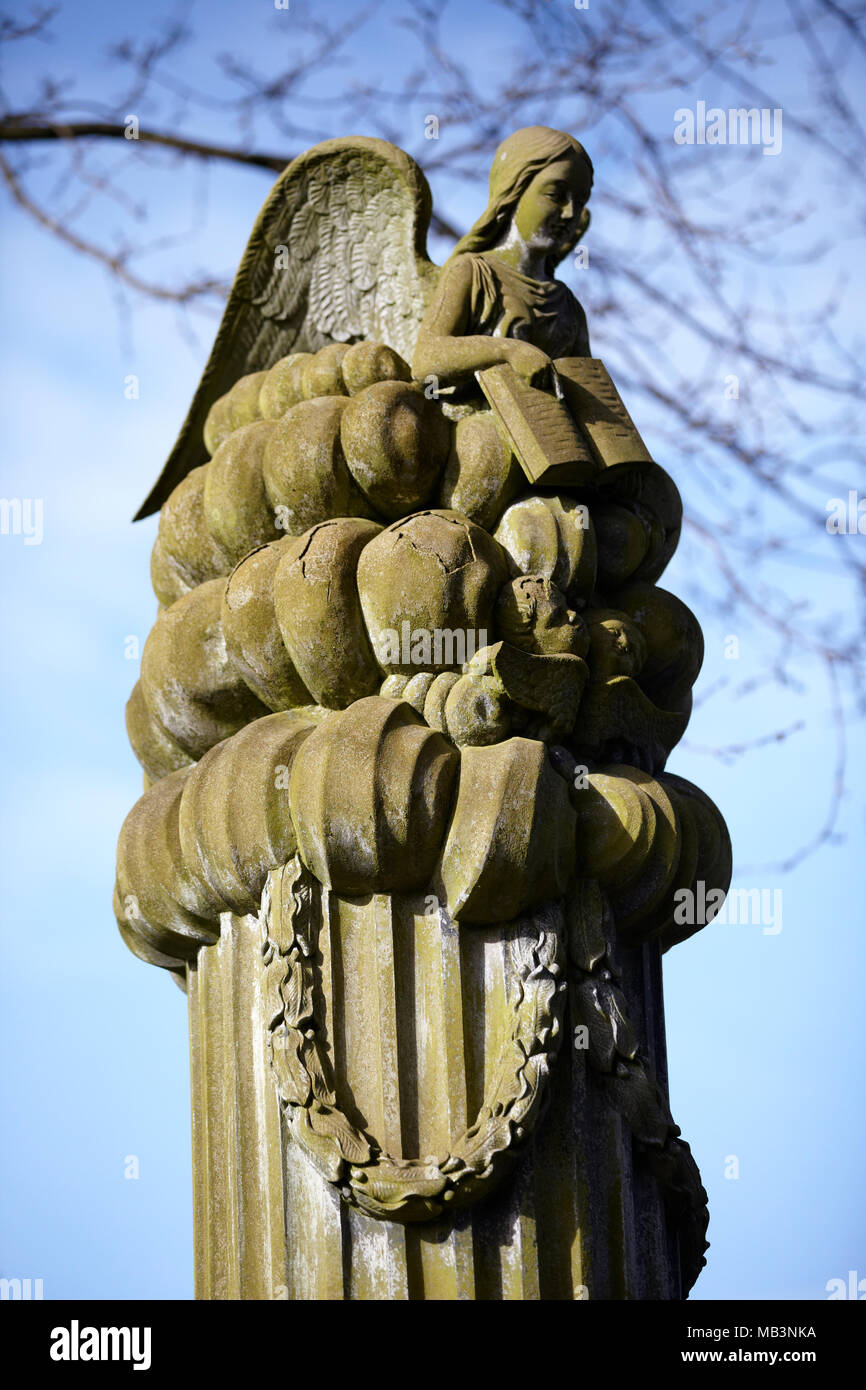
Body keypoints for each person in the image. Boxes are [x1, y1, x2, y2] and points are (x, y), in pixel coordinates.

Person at [413, 125, 594, 401]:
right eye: (556, 195)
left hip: (552, 436)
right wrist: (507, 351)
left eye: (579, 202)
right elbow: (426, 360)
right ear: (515, 190)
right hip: (478, 430)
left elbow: (589, 391)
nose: (570, 213)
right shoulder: (472, 272)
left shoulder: (568, 307)